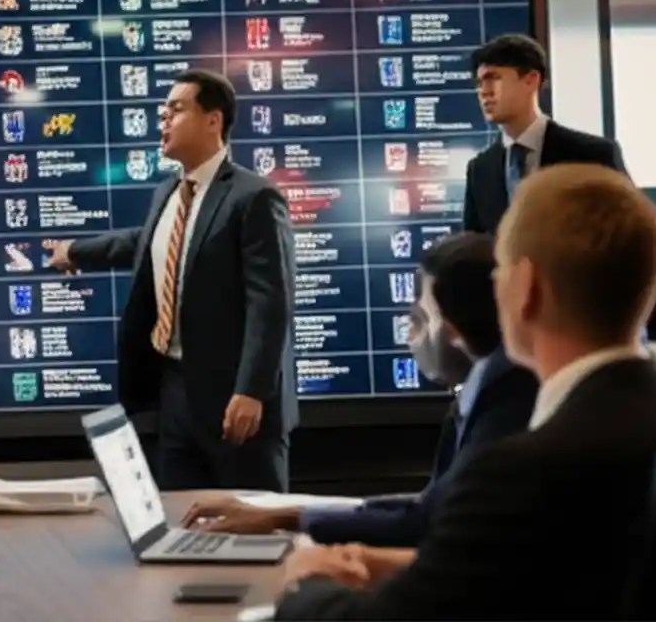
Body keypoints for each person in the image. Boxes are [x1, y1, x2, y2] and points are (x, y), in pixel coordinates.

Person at [273, 163, 656, 619]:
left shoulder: (523, 470)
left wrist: (306, 579)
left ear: (526, 287)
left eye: (501, 269)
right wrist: (377, 561)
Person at [179, 232, 537, 547]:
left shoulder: (506, 403)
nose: (411, 334)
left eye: (422, 317)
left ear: (457, 329)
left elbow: (426, 524)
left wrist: (287, 519)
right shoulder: (491, 390)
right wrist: (287, 514)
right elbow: (428, 506)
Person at [46, 69, 296, 491]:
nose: (162, 119)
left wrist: (252, 391)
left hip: (236, 400)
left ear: (213, 120)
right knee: (183, 522)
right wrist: (74, 251)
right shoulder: (168, 193)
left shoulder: (253, 197)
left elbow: (270, 302)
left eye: (176, 110)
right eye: (162, 111)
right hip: (176, 393)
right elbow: (144, 243)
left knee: (258, 531)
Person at [462, 33, 656, 374]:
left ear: (531, 79)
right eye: (478, 83)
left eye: (494, 78)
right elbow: (475, 255)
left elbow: (632, 239)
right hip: (514, 354)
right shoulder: (481, 170)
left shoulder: (590, 153)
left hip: (592, 335)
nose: (483, 91)